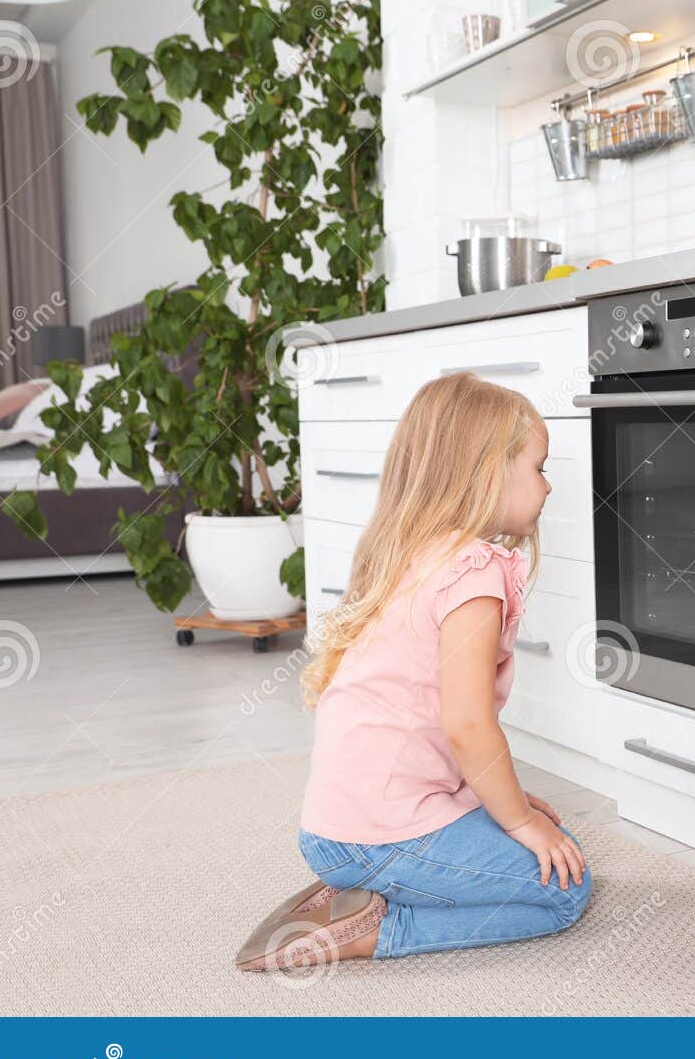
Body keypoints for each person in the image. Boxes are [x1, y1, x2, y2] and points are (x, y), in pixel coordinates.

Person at [235, 373, 591, 972]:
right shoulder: (473, 574)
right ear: (485, 475)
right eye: (538, 468)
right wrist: (518, 819)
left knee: (548, 841)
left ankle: (354, 888)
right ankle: (374, 926)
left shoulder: (413, 553)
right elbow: (468, 726)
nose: (548, 487)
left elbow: (425, 724)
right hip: (377, 833)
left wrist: (503, 804)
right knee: (564, 887)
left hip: (335, 826)